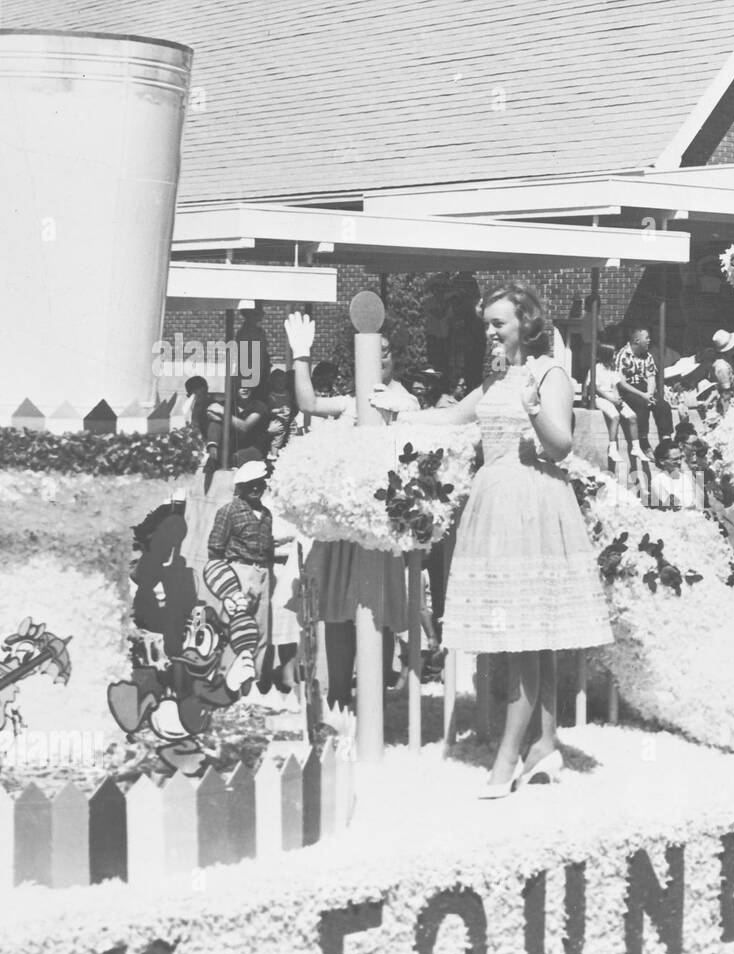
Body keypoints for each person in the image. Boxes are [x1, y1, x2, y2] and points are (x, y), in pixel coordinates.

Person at [382, 282, 613, 798]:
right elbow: (451, 417)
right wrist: (397, 410)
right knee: (530, 635)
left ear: (525, 324)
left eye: (497, 324)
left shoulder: (551, 373)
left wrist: (533, 409)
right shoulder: (495, 380)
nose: (488, 332)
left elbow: (561, 446)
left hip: (531, 503)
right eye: (487, 323)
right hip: (496, 504)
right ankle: (544, 745)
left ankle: (508, 756)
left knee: (525, 638)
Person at [287, 316, 416, 711]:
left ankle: (373, 699)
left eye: (387, 352)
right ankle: (339, 695)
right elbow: (308, 404)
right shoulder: (347, 401)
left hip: (379, 525)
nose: (381, 359)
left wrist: (402, 412)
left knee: (379, 611)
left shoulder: (404, 400)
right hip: (343, 527)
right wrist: (301, 355)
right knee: (337, 611)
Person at [206, 458, 278, 684]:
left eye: (260, 483)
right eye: (251, 484)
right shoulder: (228, 511)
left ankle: (252, 682)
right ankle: (227, 680)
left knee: (260, 630)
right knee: (234, 627)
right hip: (238, 570)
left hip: (263, 573)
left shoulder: (267, 514)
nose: (256, 488)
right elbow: (215, 548)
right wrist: (226, 584)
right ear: (241, 487)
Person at [615, 327, 674, 461]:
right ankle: (643, 442)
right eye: (646, 338)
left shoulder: (648, 356)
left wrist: (649, 393)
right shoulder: (623, 355)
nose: (649, 340)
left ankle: (666, 441)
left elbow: (651, 378)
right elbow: (621, 382)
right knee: (641, 405)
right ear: (637, 340)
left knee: (663, 405)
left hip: (645, 389)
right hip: (629, 390)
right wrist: (643, 395)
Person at [591, 343, 637, 463]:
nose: (616, 355)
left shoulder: (612, 369)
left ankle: (636, 447)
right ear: (607, 354)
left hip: (612, 397)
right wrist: (611, 400)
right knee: (615, 417)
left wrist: (617, 399)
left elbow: (615, 387)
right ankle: (612, 449)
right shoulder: (596, 368)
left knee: (632, 416)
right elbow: (596, 388)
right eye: (614, 353)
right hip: (600, 398)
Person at [649, 439, 700, 511]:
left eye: (680, 458)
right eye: (675, 459)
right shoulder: (657, 481)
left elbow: (698, 499)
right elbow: (673, 509)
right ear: (662, 461)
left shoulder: (685, 476)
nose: (679, 462)